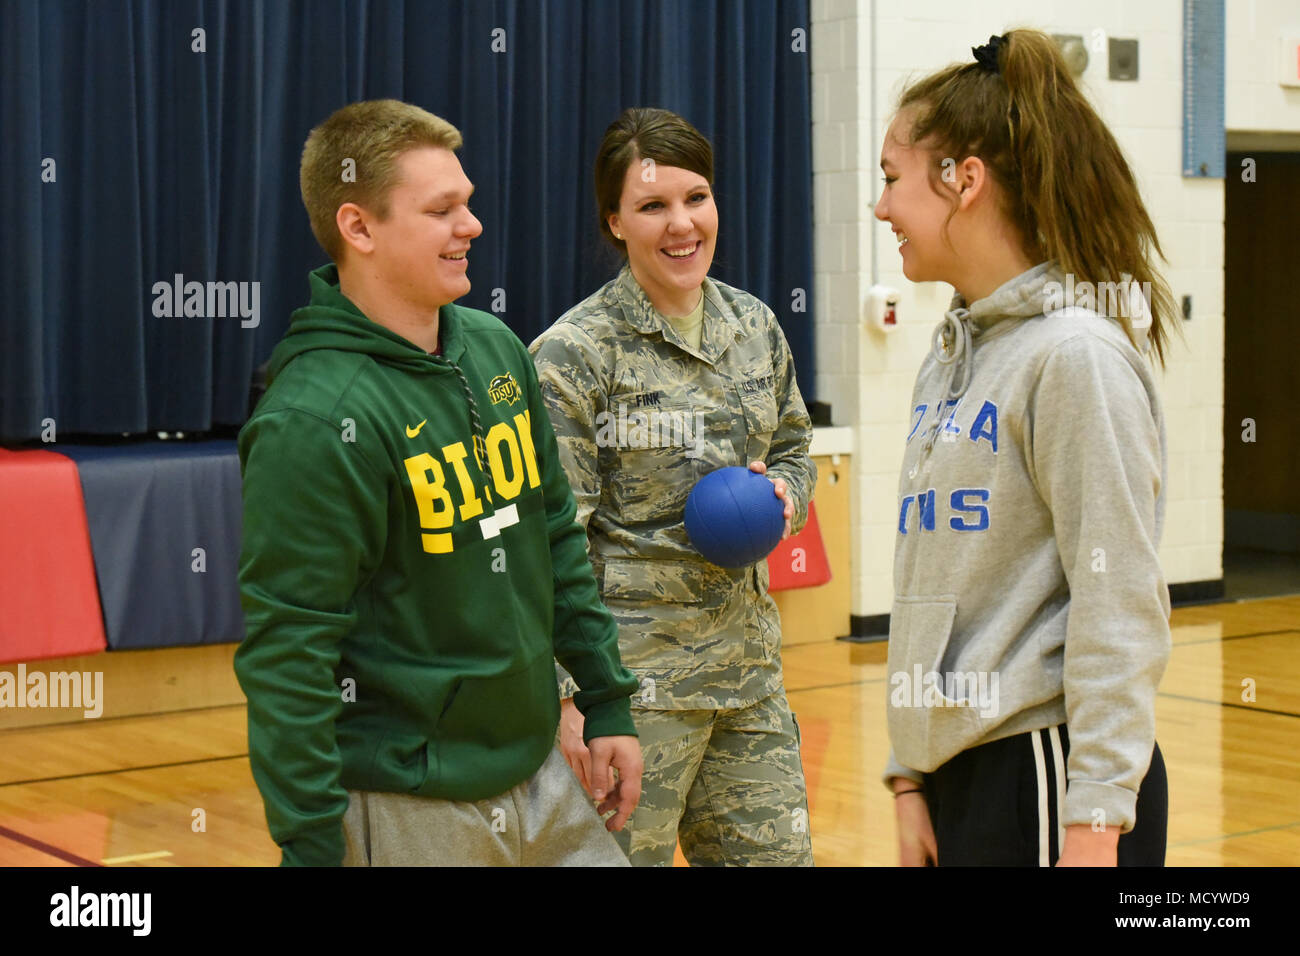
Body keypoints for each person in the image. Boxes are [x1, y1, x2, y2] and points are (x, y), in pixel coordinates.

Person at [235, 99, 642, 867]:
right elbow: (288, 657)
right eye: (443, 209)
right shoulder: (314, 420)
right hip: (404, 805)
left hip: (545, 776)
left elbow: (554, 534)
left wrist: (605, 698)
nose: (472, 226)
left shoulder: (495, 349)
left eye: (470, 204)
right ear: (359, 228)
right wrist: (313, 847)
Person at [875, 31, 1174, 866]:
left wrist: (1098, 817)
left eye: (892, 180)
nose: (882, 207)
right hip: (961, 773)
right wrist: (911, 775)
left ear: (962, 181)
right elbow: (933, 580)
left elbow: (1119, 600)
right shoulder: (951, 356)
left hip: (1051, 774)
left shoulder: (1074, 355)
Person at [529, 108, 816, 867]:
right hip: (630, 699)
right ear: (615, 222)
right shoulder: (572, 355)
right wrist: (570, 697)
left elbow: (794, 449)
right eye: (653, 205)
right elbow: (545, 544)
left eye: (696, 197)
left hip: (750, 682)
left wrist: (785, 498)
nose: (681, 223)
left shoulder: (754, 325)